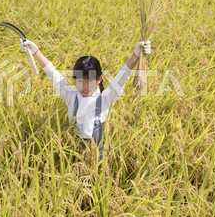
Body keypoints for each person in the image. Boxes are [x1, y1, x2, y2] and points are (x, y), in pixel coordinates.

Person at [19, 38, 151, 159]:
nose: (85, 87)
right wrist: (35, 51)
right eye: (80, 81)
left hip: (100, 156)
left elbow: (122, 77)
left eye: (90, 81)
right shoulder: (70, 96)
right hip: (74, 153)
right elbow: (52, 73)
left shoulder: (106, 98)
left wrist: (137, 55)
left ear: (99, 80)